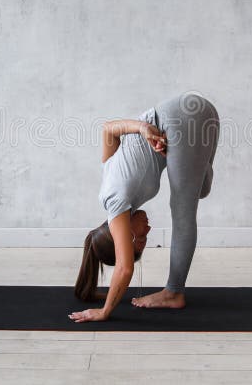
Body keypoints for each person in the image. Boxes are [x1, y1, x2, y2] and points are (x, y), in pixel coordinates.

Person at [69, 92, 219, 323]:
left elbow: (124, 268)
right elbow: (109, 130)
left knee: (182, 210)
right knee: (202, 191)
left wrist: (104, 311)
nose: (148, 233)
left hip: (176, 116)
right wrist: (144, 130)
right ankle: (183, 148)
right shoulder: (109, 178)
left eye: (140, 240)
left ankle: (173, 292)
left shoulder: (115, 203)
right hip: (201, 110)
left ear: (124, 236)